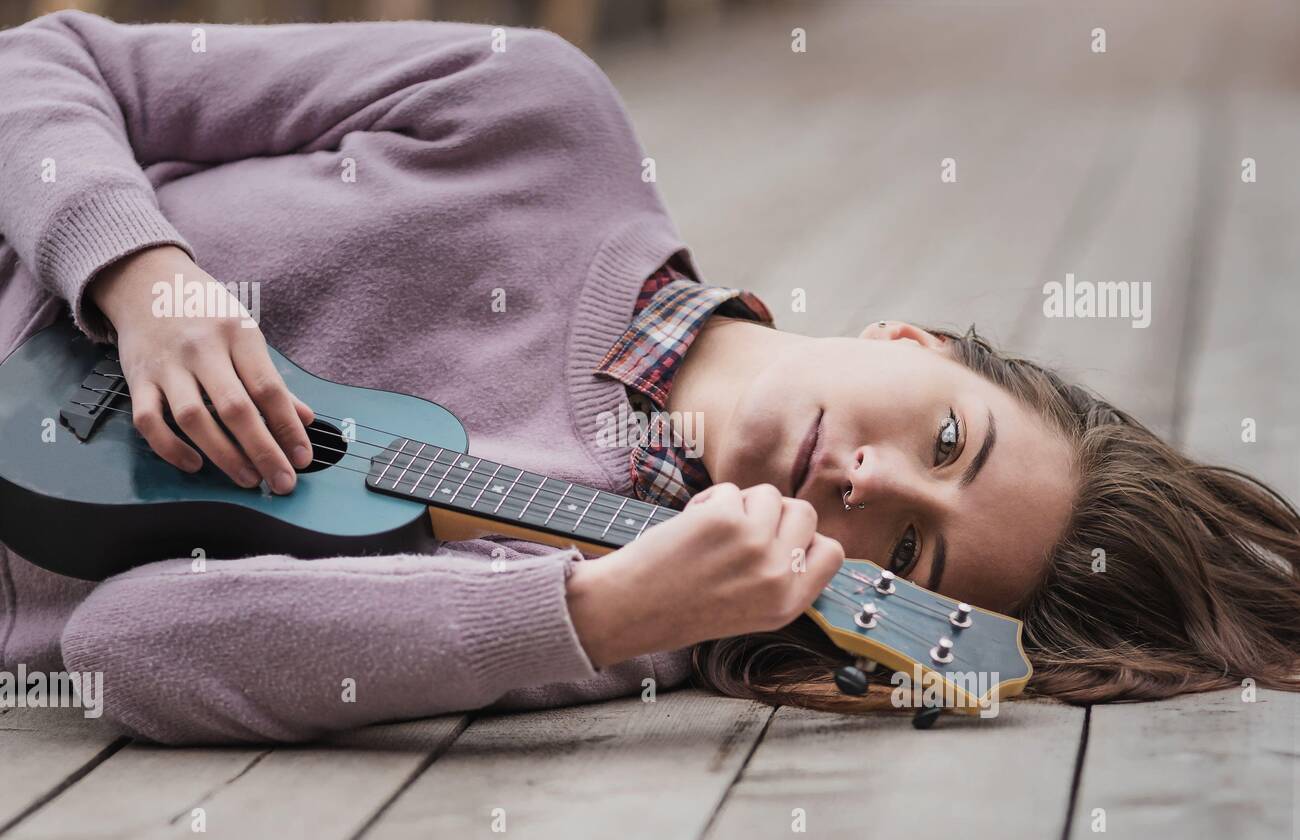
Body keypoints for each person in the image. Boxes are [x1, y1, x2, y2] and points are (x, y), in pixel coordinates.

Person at [0, 12, 1295, 744]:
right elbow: (49, 67)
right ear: (921, 344)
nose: (866, 477)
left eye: (908, 548)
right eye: (947, 440)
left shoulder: (612, 629)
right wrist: (140, 272)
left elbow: (127, 647)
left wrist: (604, 612)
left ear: (869, 622)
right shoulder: (539, 122)